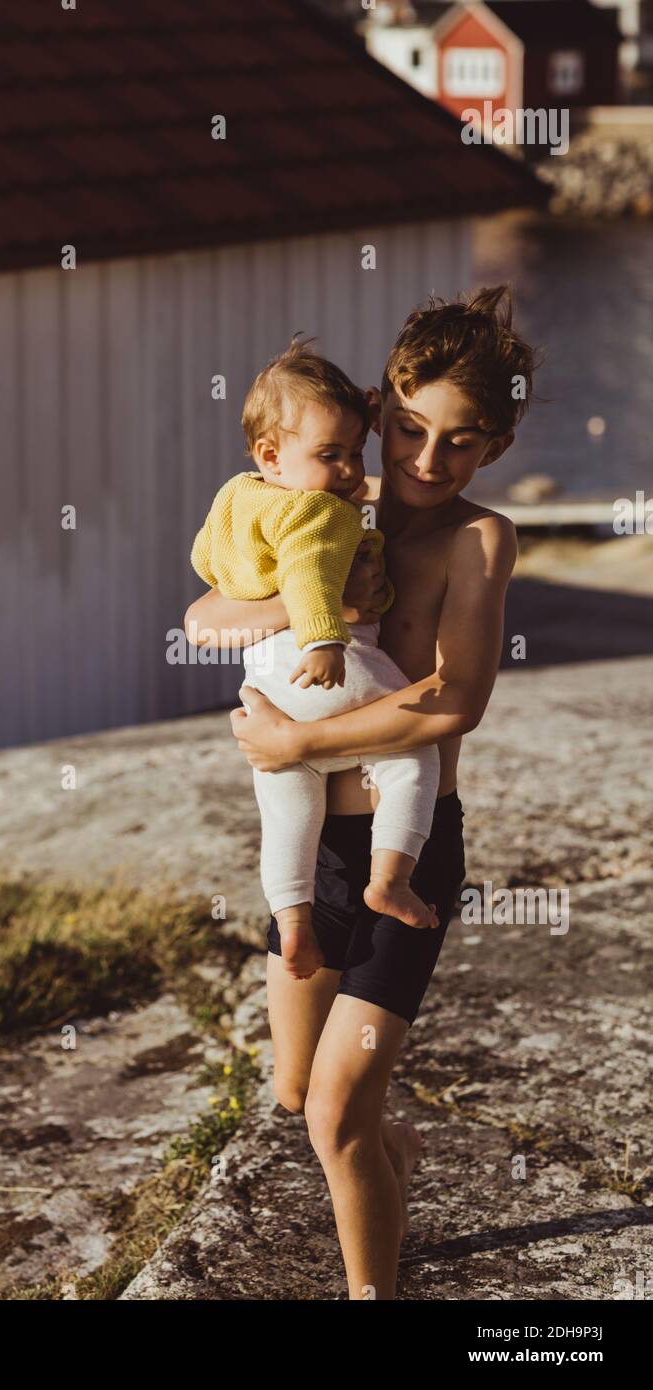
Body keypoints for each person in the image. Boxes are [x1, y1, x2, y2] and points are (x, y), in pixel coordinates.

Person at [185, 287, 538, 1299]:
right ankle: (398, 1157)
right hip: (312, 861)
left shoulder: (481, 541)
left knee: (335, 1113)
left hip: (405, 853)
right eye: (411, 430)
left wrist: (299, 737)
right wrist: (308, 600)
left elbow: (451, 703)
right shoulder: (333, 503)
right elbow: (203, 612)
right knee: (296, 1092)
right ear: (382, 408)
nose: (427, 462)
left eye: (461, 443)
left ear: (496, 447)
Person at [189, 337, 442, 985]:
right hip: (333, 671)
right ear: (272, 456)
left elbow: (204, 573)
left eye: (357, 452)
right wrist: (324, 632)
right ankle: (391, 879)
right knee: (415, 758)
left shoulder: (238, 503)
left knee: (286, 812)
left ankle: (293, 920)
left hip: (270, 692)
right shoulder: (318, 510)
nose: (350, 470)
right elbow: (306, 574)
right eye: (331, 455)